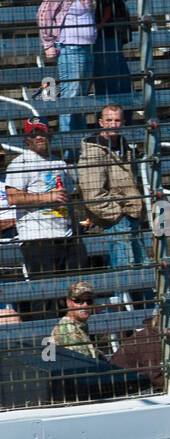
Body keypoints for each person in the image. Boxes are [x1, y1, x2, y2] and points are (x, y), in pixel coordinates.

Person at [3, 118, 88, 292]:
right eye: (34, 134)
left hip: (66, 235)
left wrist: (75, 225)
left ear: (50, 135)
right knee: (46, 294)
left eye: (42, 132)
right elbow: (12, 197)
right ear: (27, 138)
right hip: (37, 238)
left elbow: (69, 196)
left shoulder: (58, 162)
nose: (39, 137)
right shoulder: (20, 163)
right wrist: (47, 197)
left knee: (77, 289)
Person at [77, 103, 146, 271]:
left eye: (117, 120)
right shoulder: (93, 152)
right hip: (117, 218)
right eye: (109, 120)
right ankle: (122, 298)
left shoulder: (124, 147)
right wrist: (118, 215)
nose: (113, 124)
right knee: (125, 270)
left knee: (141, 268)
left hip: (131, 214)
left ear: (123, 122)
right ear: (101, 122)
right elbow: (92, 194)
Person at [38, 0, 98, 135]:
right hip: (71, 47)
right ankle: (70, 144)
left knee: (80, 98)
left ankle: (78, 142)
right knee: (71, 98)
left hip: (86, 47)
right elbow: (44, 13)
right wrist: (47, 43)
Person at [110, 308, 170, 389]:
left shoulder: (155, 336)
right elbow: (158, 379)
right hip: (125, 385)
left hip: (131, 382)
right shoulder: (153, 342)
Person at [52, 280, 103, 359]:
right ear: (68, 302)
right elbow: (85, 364)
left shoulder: (79, 326)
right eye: (79, 301)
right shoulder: (68, 329)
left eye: (89, 301)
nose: (85, 305)